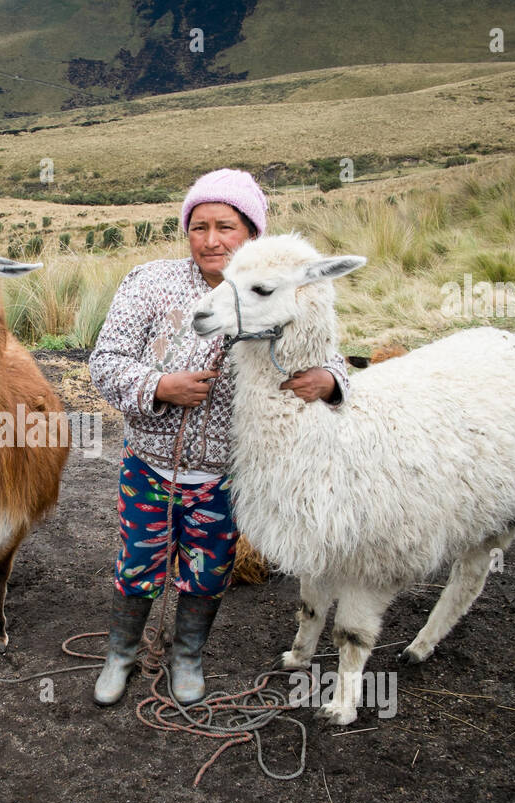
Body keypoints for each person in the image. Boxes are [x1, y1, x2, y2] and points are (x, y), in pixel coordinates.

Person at [88, 168, 351, 706]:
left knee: (208, 573)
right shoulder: (149, 284)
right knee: (138, 565)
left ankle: (187, 656)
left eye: (225, 226)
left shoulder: (282, 292)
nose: (211, 240)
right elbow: (105, 364)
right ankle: (122, 652)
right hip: (152, 466)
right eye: (199, 226)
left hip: (227, 477)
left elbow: (329, 357)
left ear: (251, 232)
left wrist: (331, 382)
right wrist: (161, 385)